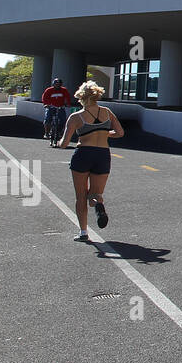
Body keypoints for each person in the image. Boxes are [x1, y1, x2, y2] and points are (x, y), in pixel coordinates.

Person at [59, 80, 123, 242]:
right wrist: (105, 133)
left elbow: (64, 144)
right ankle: (99, 206)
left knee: (81, 196)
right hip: (102, 154)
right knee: (95, 194)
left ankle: (83, 232)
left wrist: (59, 142)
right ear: (97, 95)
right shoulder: (107, 112)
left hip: (83, 154)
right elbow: (120, 132)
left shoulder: (76, 117)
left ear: (81, 96)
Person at [41, 77, 71, 143]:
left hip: (60, 107)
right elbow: (44, 98)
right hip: (51, 107)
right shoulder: (49, 90)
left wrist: (68, 104)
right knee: (47, 119)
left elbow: (67, 98)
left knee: (63, 120)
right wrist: (46, 104)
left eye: (59, 84)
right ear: (53, 84)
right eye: (56, 84)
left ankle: (59, 132)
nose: (57, 85)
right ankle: (47, 133)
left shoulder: (64, 90)